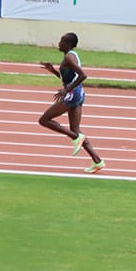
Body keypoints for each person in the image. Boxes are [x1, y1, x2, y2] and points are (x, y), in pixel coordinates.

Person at [38, 32, 105, 173]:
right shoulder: (72, 55)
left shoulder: (69, 57)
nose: (59, 43)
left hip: (72, 94)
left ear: (68, 44)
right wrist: (54, 71)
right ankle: (97, 161)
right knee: (76, 129)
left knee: (44, 120)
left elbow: (82, 75)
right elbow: (70, 77)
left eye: (62, 41)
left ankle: (75, 137)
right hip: (78, 93)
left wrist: (66, 90)